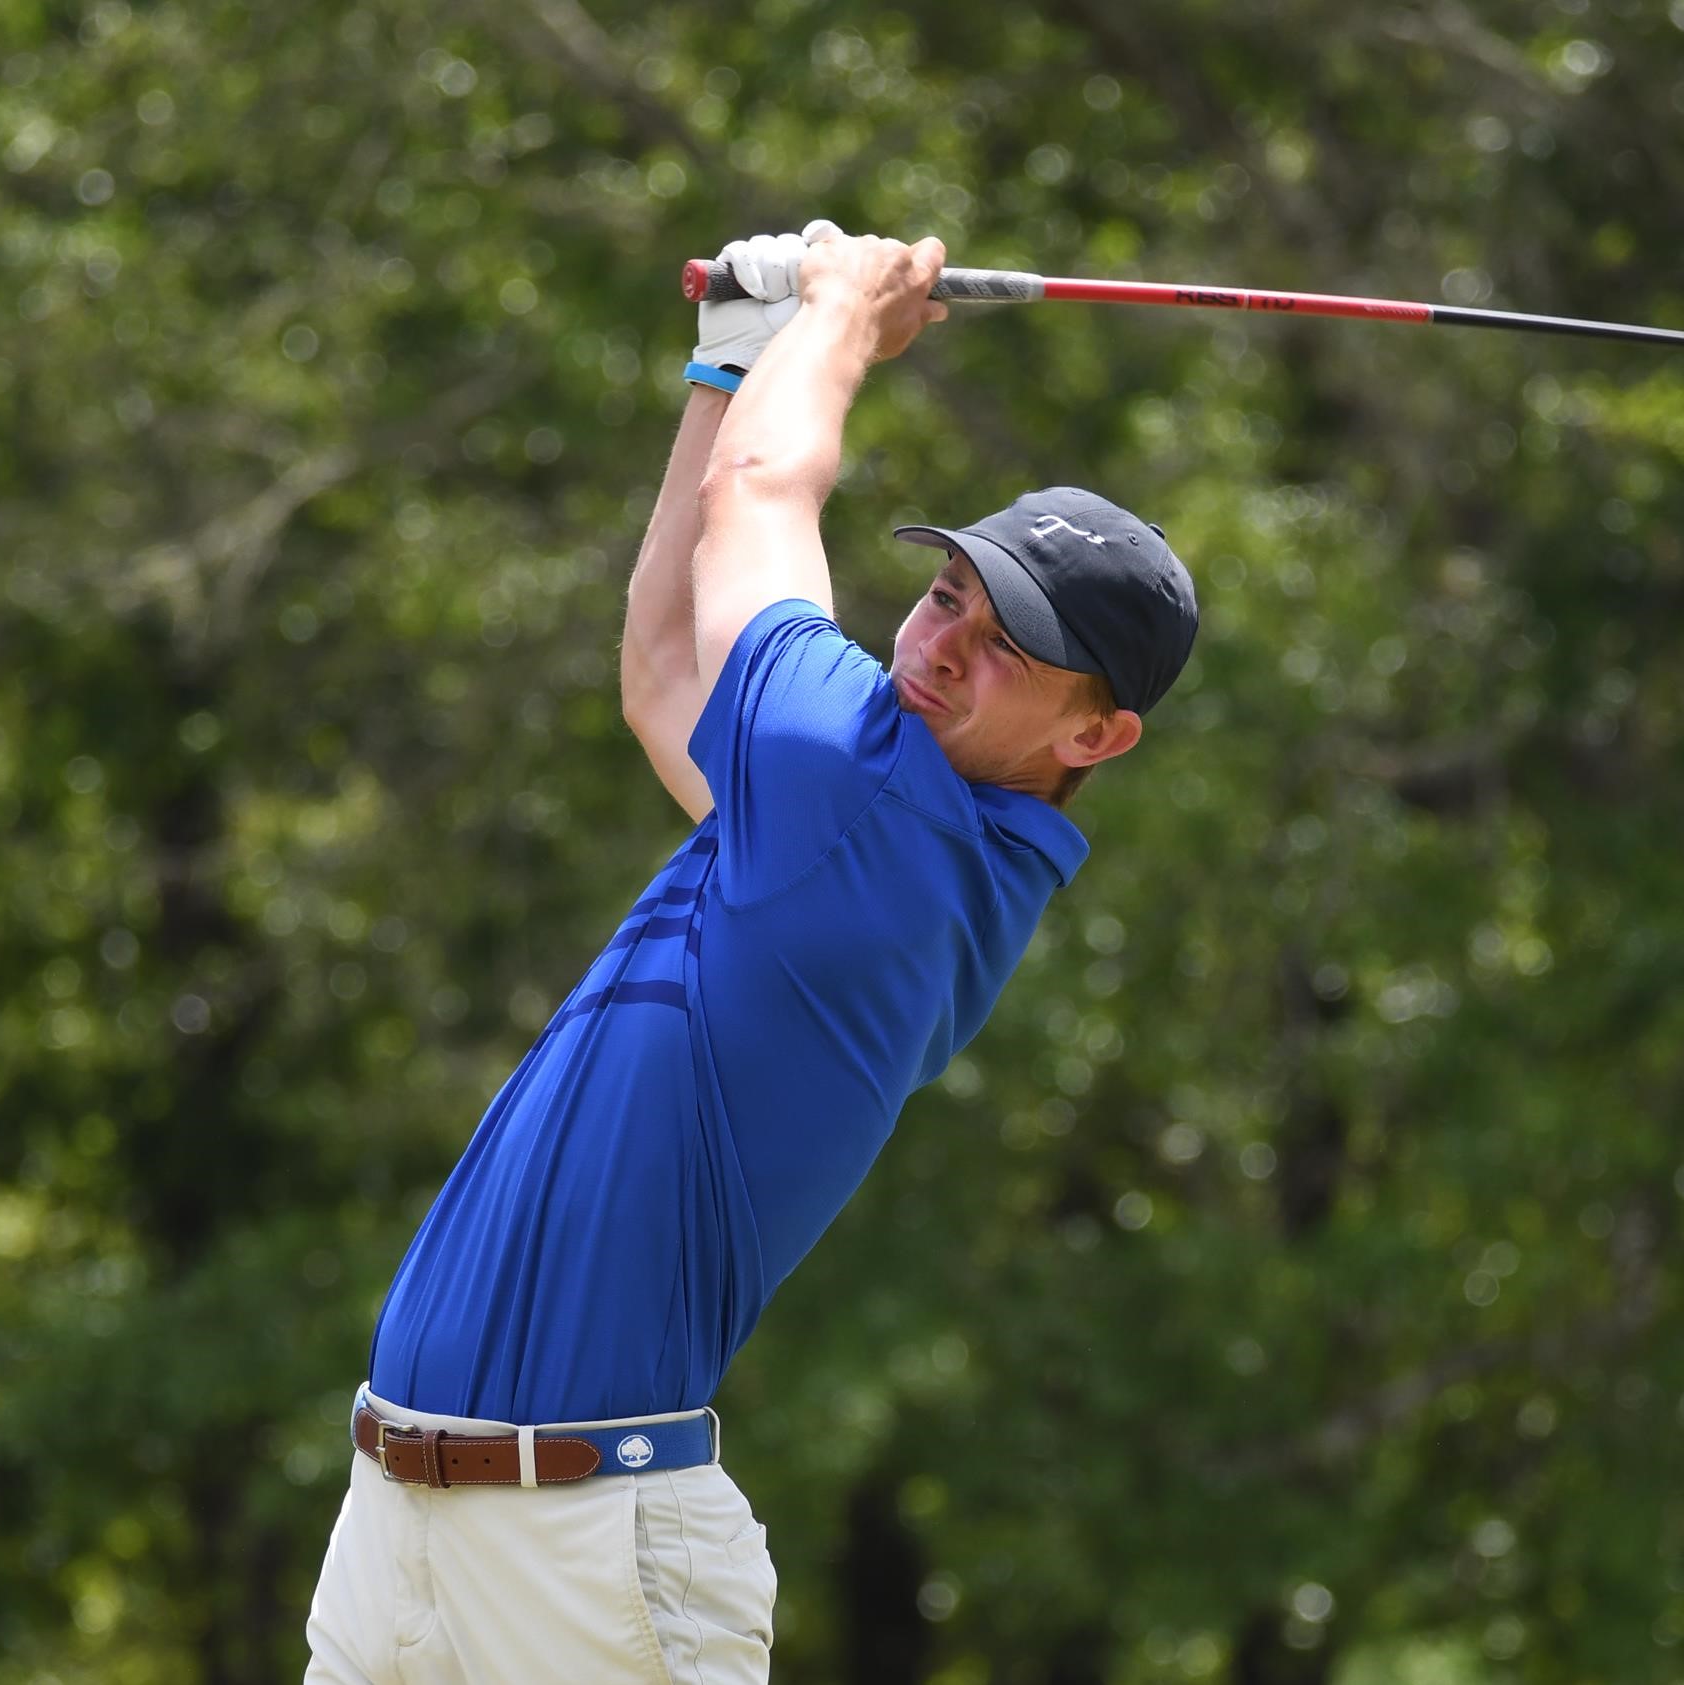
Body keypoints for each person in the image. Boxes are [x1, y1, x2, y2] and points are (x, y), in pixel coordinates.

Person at [303, 221, 1202, 1684]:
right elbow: (667, 668)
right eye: (946, 594)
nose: (937, 644)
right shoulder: (836, 805)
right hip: (406, 1522)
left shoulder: (869, 826)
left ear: (1095, 737)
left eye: (1008, 649)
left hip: (589, 1559)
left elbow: (767, 494)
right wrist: (728, 363)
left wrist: (841, 318)